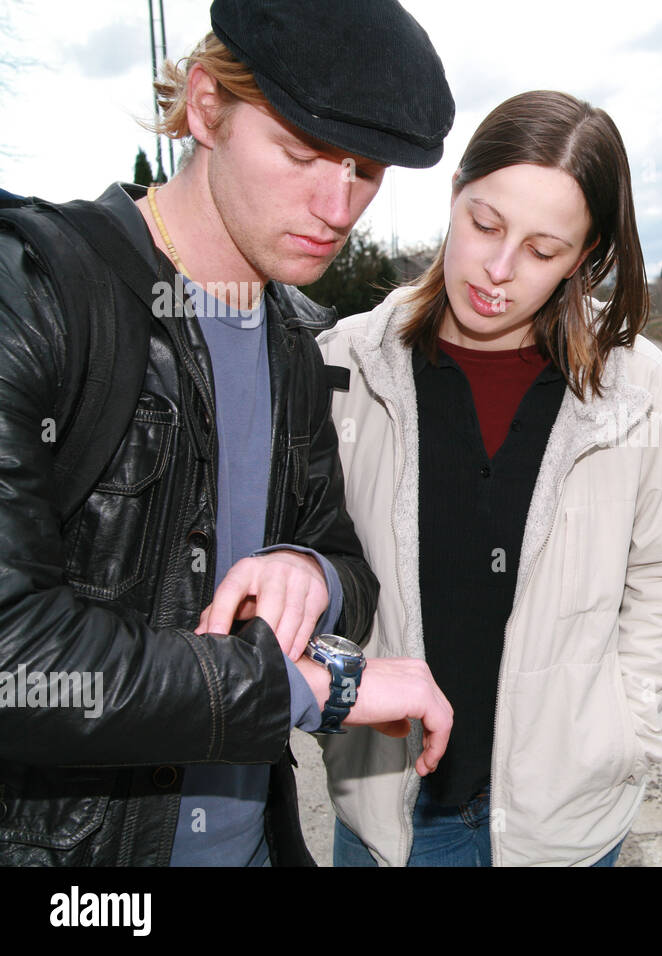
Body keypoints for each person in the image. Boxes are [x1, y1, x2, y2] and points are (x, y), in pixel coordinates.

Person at [0, 0, 455, 866]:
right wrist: (313, 687)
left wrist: (306, 572)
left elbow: (346, 562)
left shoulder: (296, 336)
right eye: (300, 153)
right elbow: (13, 654)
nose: (337, 205)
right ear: (206, 108)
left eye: (366, 170)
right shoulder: (38, 294)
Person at [316, 90, 662, 867]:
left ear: (586, 257)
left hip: (565, 828)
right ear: (455, 192)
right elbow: (308, 558)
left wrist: (626, 730)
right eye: (486, 224)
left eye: (542, 250)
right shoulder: (345, 363)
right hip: (388, 823)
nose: (497, 270)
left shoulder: (641, 387)